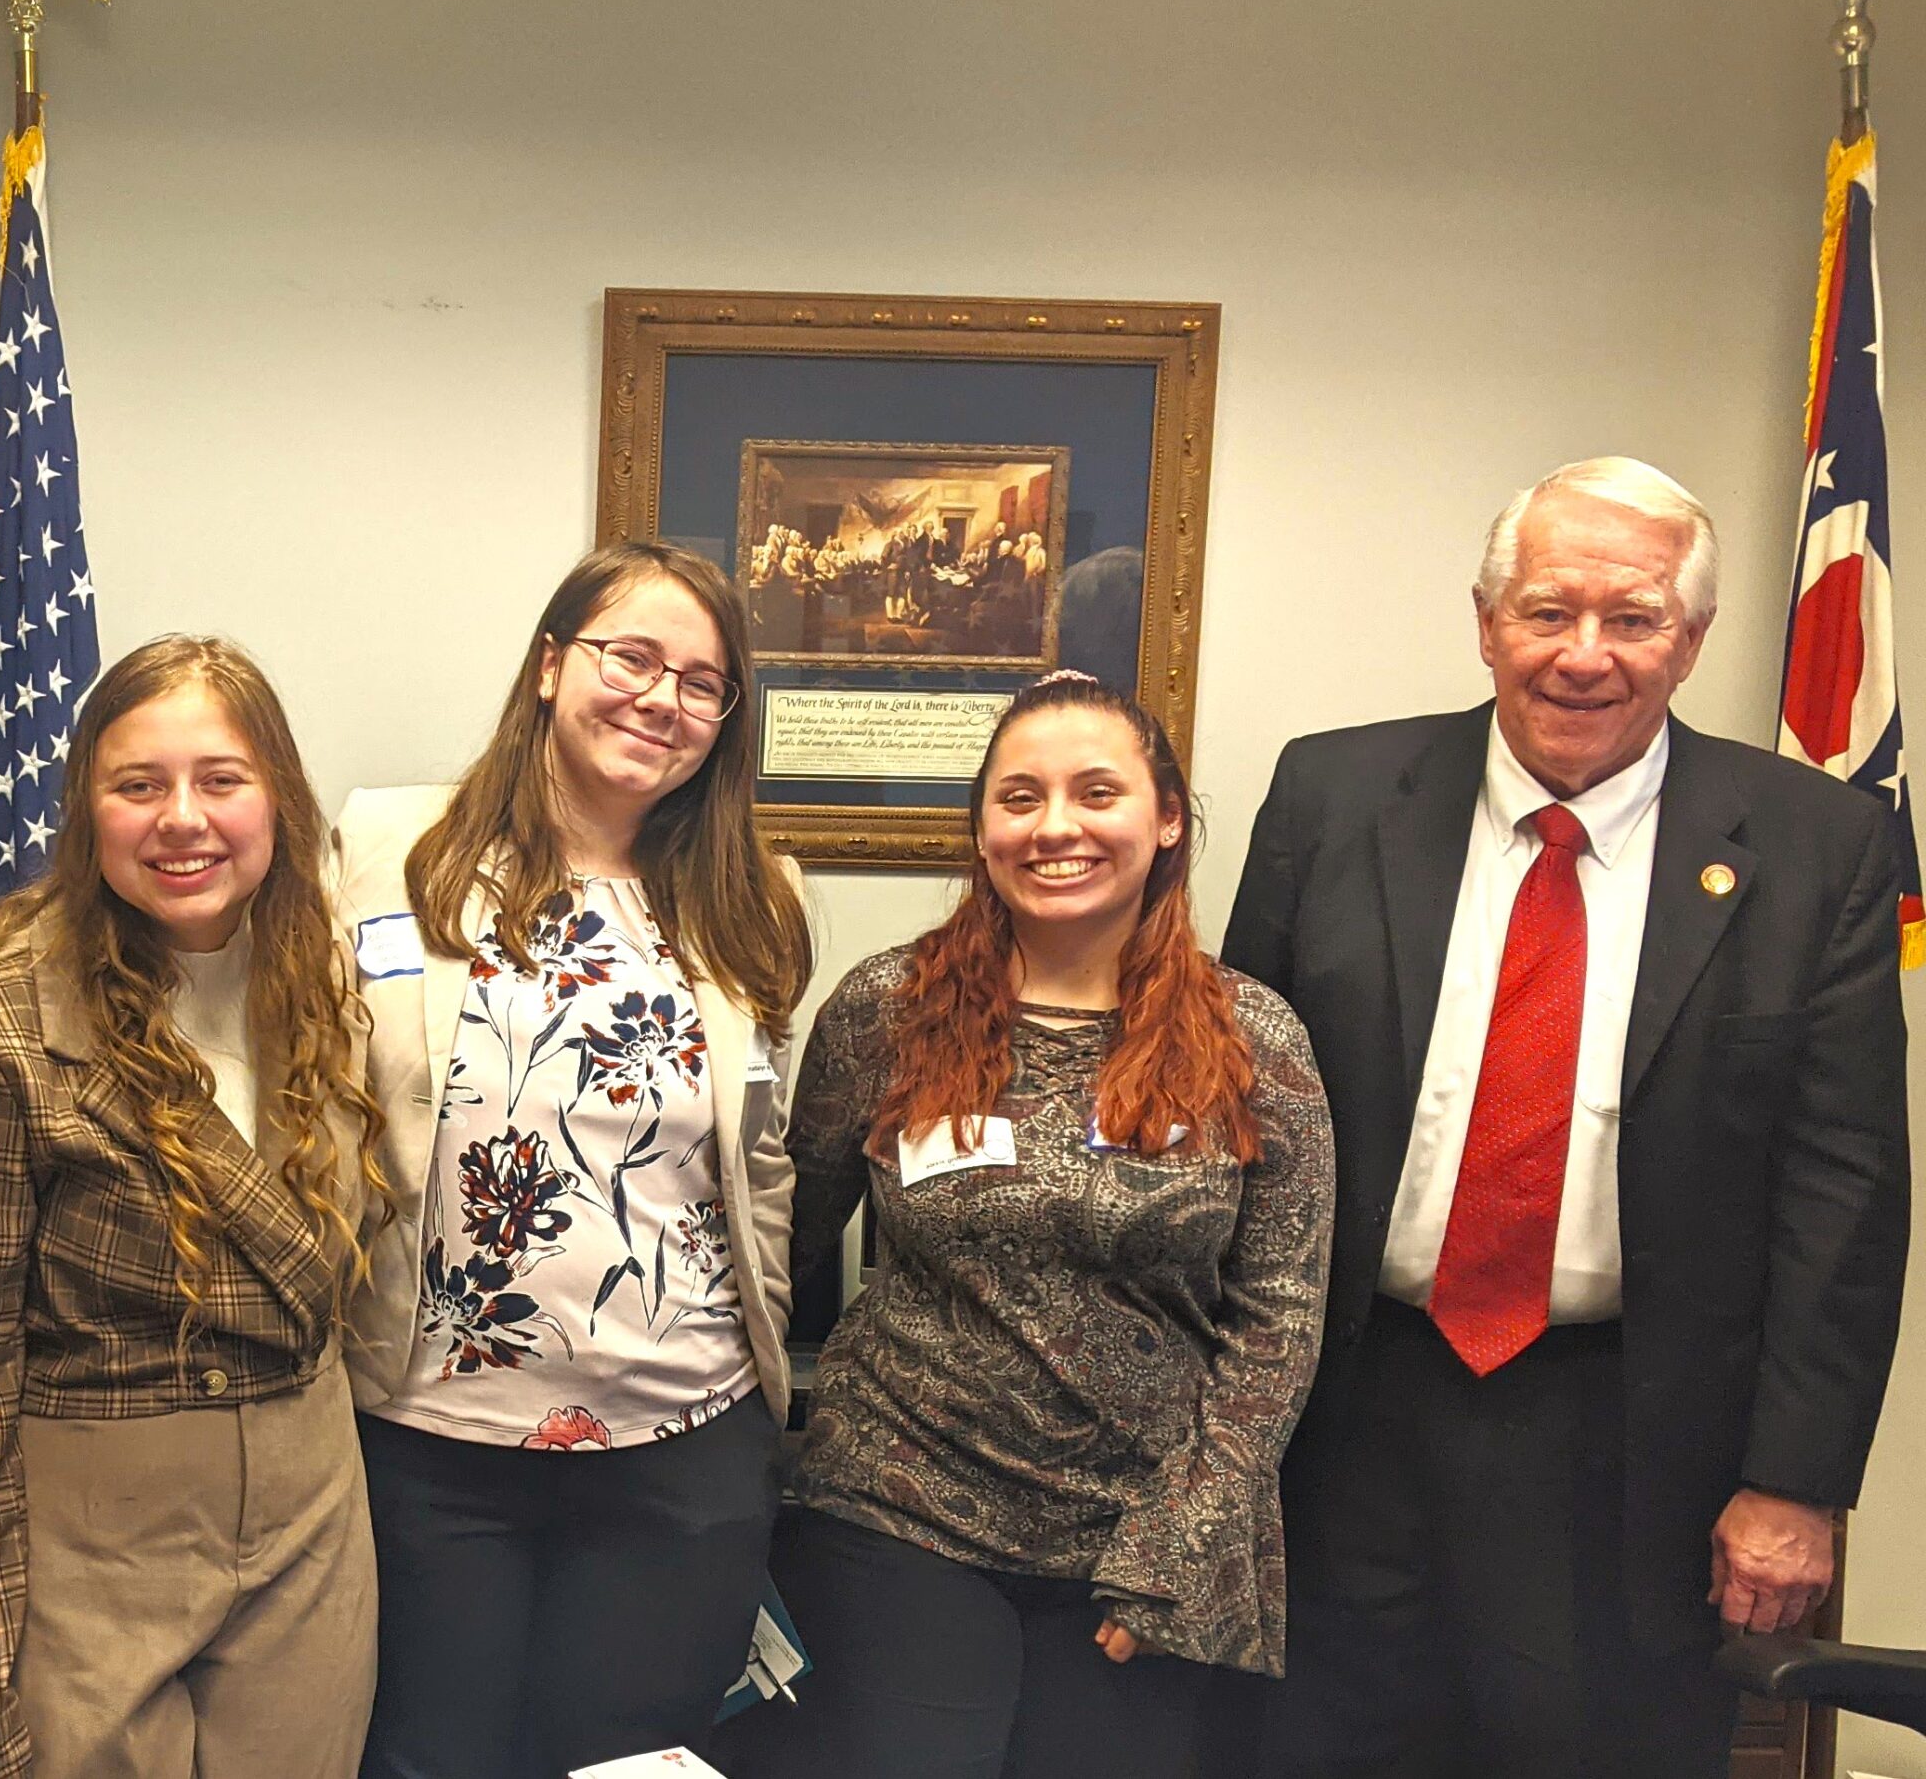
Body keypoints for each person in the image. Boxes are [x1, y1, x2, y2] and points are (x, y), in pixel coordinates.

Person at [1223, 456, 1911, 1778]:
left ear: (1691, 639)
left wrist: (1795, 1482)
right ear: (1487, 622)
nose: (1583, 656)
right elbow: (1237, 1119)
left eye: (1633, 617)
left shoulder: (1813, 846)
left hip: (1636, 1447)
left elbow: (1847, 1194)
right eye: (1546, 611)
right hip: (1349, 1417)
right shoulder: (1335, 797)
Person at [717, 669, 1332, 1779]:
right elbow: (777, 1244)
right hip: (892, 1510)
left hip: (1133, 1537)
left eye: (1096, 791)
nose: (1057, 826)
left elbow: (1279, 1316)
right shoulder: (887, 1007)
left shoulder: (1255, 1037)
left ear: (1167, 817)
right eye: (1019, 796)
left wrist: (1179, 1544)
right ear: (983, 828)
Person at [332, 540, 813, 1779]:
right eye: (632, 657)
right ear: (552, 664)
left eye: (703, 682)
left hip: (681, 1447)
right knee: (427, 1758)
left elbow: (758, 1174)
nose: (663, 698)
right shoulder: (390, 846)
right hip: (429, 1441)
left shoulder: (758, 896)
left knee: (630, 1769)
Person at [0, 635, 386, 1779]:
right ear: (84, 810)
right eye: (138, 784)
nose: (182, 818)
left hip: (313, 1511)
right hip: (89, 1533)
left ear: (279, 800)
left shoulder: (334, 981)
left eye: (221, 778)